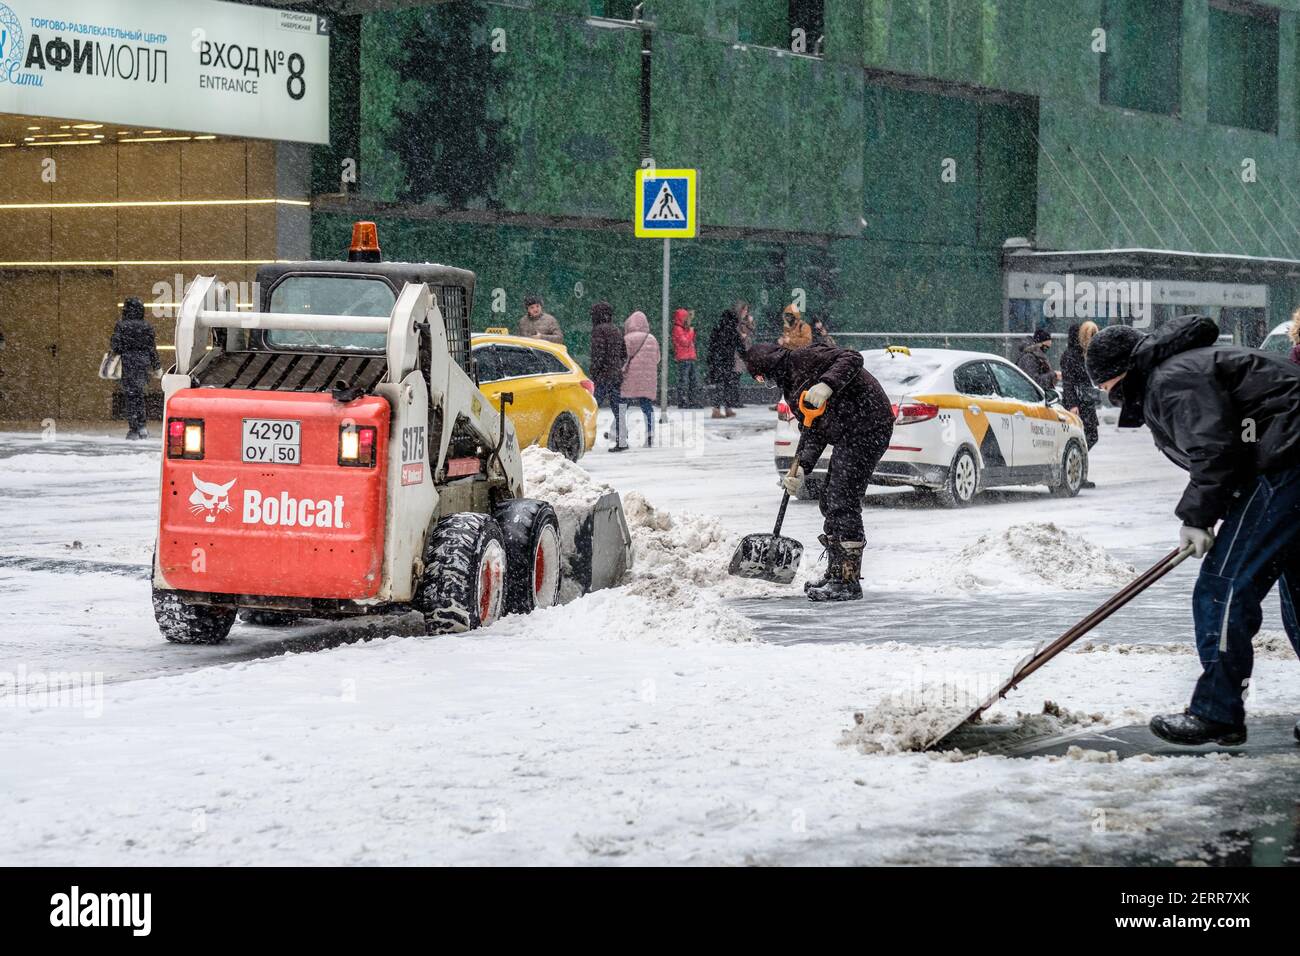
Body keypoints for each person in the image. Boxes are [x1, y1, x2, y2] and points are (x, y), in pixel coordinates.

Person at [1086, 314, 1300, 746]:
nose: (1105, 395)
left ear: (1117, 375)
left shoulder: (1172, 377)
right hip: (1288, 463)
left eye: (1103, 385)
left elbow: (1214, 450)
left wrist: (1198, 518)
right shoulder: (1188, 366)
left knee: (1223, 588)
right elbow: (1233, 441)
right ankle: (1220, 707)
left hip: (1287, 466)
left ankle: (1217, 711)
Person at [743, 341, 895, 602]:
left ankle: (848, 582)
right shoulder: (791, 390)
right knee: (829, 499)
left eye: (763, 378)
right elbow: (812, 431)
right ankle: (835, 573)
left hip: (870, 426)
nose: (767, 383)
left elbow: (852, 358)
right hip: (849, 434)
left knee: (842, 498)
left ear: (769, 368)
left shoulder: (807, 357)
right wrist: (801, 467)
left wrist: (827, 385)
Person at [109, 297, 161, 440]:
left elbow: (115, 346)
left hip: (128, 363)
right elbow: (152, 348)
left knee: (130, 396)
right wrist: (157, 366)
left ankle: (133, 429)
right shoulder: (147, 326)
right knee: (139, 395)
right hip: (142, 363)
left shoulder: (121, 325)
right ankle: (143, 426)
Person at [1060, 321, 1100, 488]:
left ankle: (1078, 471)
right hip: (1077, 403)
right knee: (1082, 438)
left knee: (1090, 436)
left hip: (1085, 401)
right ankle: (1075, 473)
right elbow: (1068, 383)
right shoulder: (1070, 356)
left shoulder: (1081, 354)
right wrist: (1072, 405)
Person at [588, 301, 628, 452]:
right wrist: (615, 365)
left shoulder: (598, 331)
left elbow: (598, 355)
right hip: (616, 375)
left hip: (602, 376)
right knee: (619, 409)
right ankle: (622, 440)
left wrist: (595, 371)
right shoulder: (616, 329)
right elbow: (624, 353)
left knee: (591, 407)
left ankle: (586, 438)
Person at [620, 311, 661, 447]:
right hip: (648, 379)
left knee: (623, 406)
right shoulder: (652, 339)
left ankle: (621, 435)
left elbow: (624, 358)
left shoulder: (627, 338)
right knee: (647, 406)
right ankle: (650, 434)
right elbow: (657, 359)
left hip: (630, 378)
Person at [706, 308, 744, 419]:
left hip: (717, 362)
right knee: (728, 386)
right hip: (727, 362)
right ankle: (726, 409)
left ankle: (717, 409)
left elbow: (711, 346)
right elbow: (740, 347)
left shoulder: (717, 329)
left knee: (719, 386)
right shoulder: (732, 331)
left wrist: (711, 360)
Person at [671, 307, 701, 408]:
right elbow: (685, 342)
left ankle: (693, 401)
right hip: (683, 358)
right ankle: (683, 401)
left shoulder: (684, 328)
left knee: (693, 381)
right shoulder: (677, 329)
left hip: (690, 357)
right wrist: (691, 332)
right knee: (684, 381)